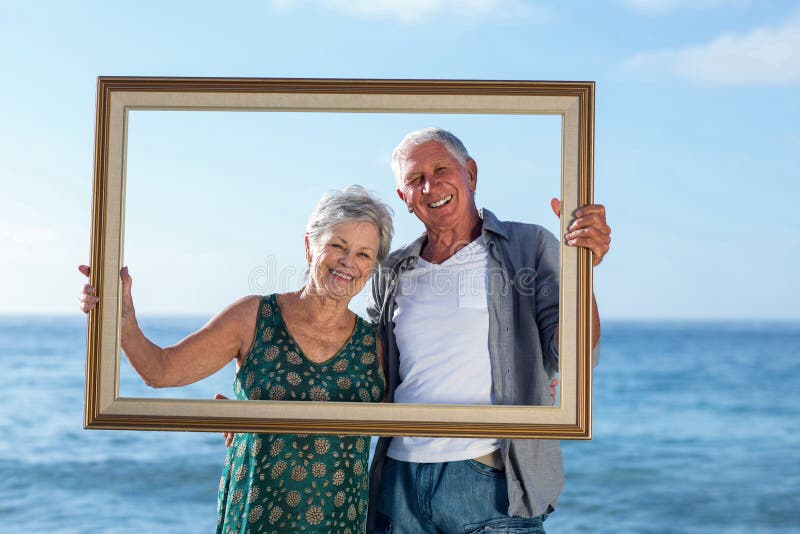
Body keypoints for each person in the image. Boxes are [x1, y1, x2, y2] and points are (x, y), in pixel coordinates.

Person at [79, 185, 394, 534]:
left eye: (364, 254)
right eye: (337, 246)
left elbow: (410, 422)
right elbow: (161, 370)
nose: (349, 262)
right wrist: (121, 319)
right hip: (254, 515)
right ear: (309, 246)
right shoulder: (253, 317)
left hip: (338, 522)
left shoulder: (374, 344)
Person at [366, 128, 611, 533]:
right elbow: (364, 372)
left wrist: (581, 271)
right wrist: (263, 412)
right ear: (404, 199)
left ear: (471, 174)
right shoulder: (391, 270)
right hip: (399, 483)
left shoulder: (528, 244)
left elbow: (576, 356)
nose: (430, 186)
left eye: (441, 169)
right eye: (414, 179)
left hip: (490, 483)